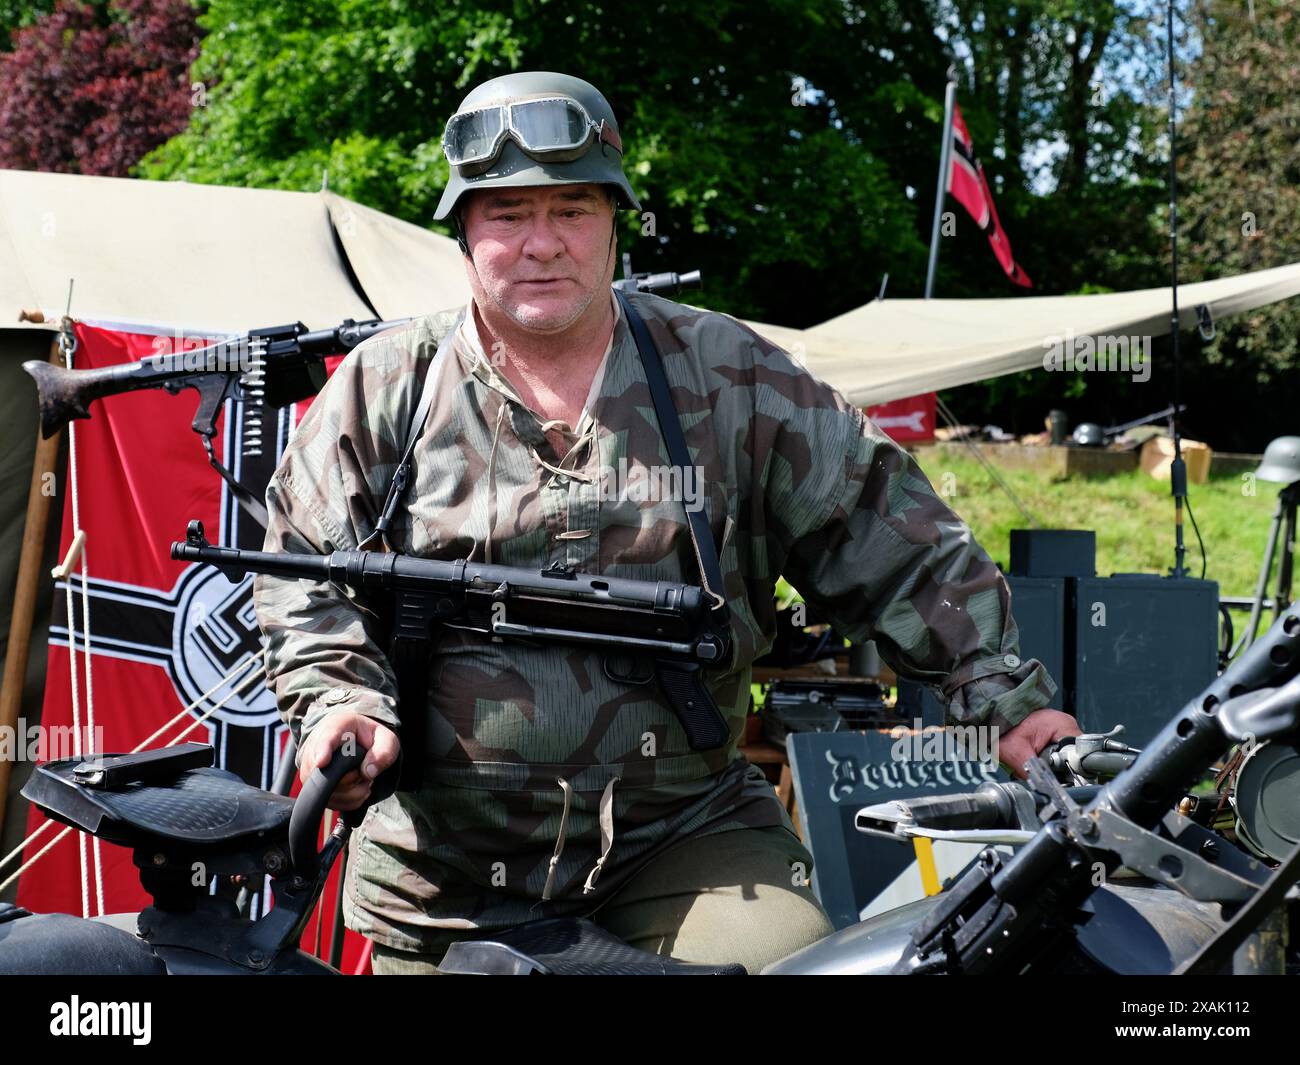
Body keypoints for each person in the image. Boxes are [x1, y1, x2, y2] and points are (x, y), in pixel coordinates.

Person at [252, 70, 1078, 975]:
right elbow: (303, 570)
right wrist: (342, 700)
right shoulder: (388, 389)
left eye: (572, 209)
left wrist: (1005, 700)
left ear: (615, 221)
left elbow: (879, 523)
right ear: (466, 232)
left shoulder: (729, 376)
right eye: (508, 213)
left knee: (778, 965)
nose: (541, 244)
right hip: (442, 865)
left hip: (684, 838)